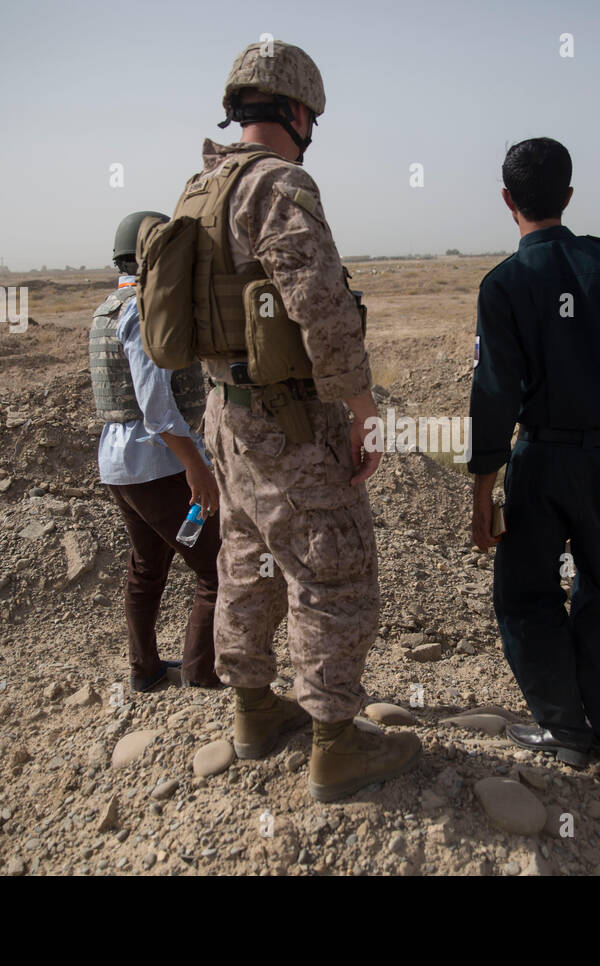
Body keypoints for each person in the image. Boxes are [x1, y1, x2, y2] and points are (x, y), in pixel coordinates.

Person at [172, 40, 420, 801]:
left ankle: (251, 715)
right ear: (295, 110)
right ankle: (336, 746)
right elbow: (321, 306)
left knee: (244, 562)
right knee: (333, 571)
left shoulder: (196, 189)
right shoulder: (280, 185)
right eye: (310, 114)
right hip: (287, 423)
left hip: (225, 416)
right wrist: (363, 409)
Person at [468, 137, 600, 771]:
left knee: (526, 597)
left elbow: (495, 394)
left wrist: (482, 491)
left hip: (542, 464)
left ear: (507, 200)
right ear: (570, 196)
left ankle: (566, 731)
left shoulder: (502, 284)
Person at [92, 211, 223, 693]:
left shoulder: (108, 306)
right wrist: (196, 466)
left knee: (147, 567)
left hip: (118, 463)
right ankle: (201, 674)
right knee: (217, 564)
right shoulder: (144, 310)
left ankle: (145, 670)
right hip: (156, 462)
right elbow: (157, 408)